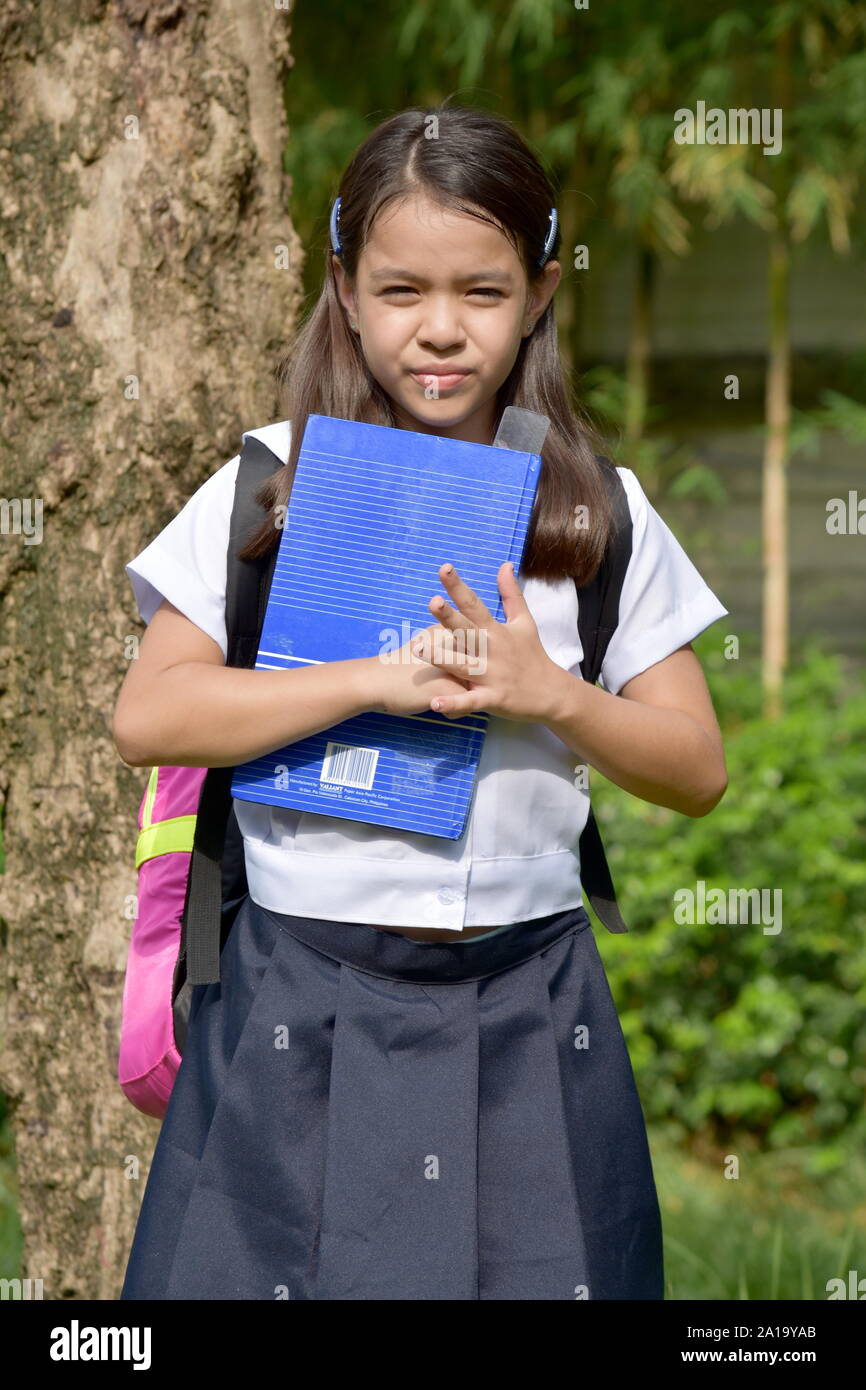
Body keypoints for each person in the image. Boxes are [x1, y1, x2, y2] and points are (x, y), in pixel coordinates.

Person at [113, 104, 729, 1301]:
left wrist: (547, 693)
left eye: (482, 292)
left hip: (531, 1006)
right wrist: (377, 680)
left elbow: (694, 766)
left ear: (541, 292)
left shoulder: (598, 511)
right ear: (342, 289)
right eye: (399, 290)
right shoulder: (264, 490)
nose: (439, 330)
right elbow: (153, 715)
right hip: (297, 1001)